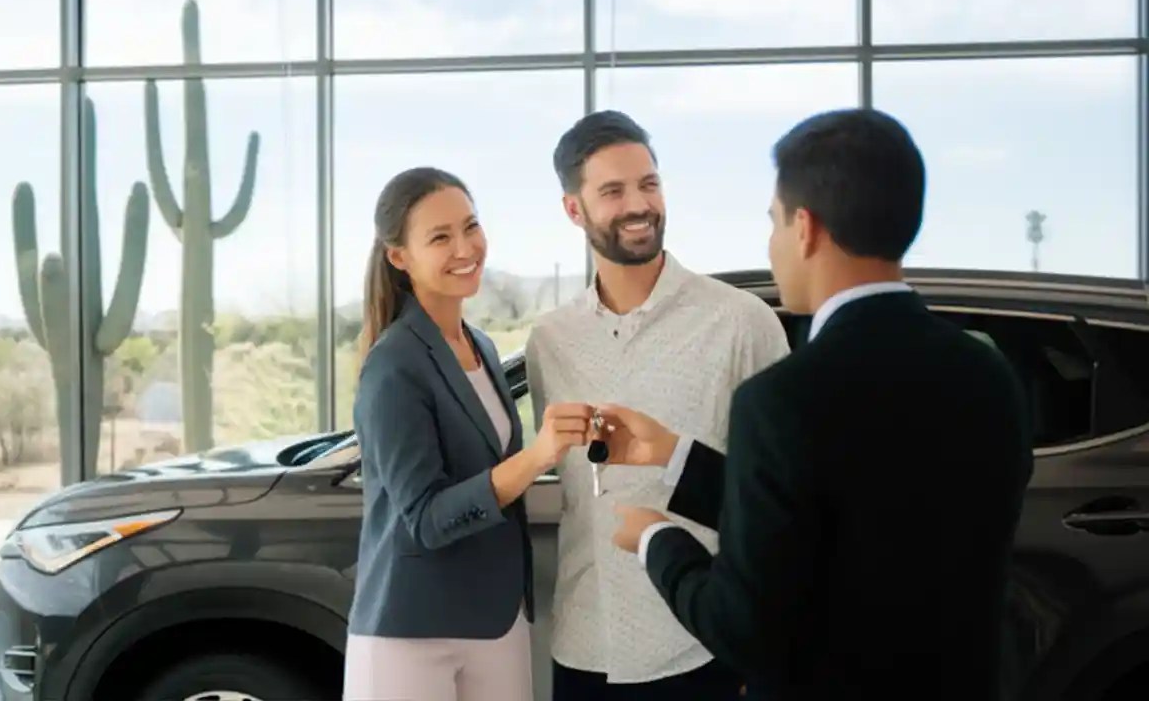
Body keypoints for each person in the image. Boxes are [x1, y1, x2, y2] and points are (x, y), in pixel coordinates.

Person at [600, 108, 1036, 700]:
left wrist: (657, 539)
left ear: (805, 228)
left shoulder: (781, 401)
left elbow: (744, 628)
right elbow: (854, 512)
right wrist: (674, 455)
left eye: (774, 223)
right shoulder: (989, 375)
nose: (773, 243)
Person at [524, 110, 789, 700]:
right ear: (575, 210)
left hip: (702, 641)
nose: (639, 205)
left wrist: (764, 656)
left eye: (649, 183)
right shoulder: (550, 341)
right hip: (585, 643)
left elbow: (779, 503)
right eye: (613, 191)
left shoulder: (742, 323)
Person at [343, 166, 594, 701]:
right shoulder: (393, 364)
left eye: (471, 226)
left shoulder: (477, 344)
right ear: (398, 257)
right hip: (412, 631)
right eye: (440, 237)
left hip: (495, 621)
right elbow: (427, 519)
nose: (465, 247)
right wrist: (539, 455)